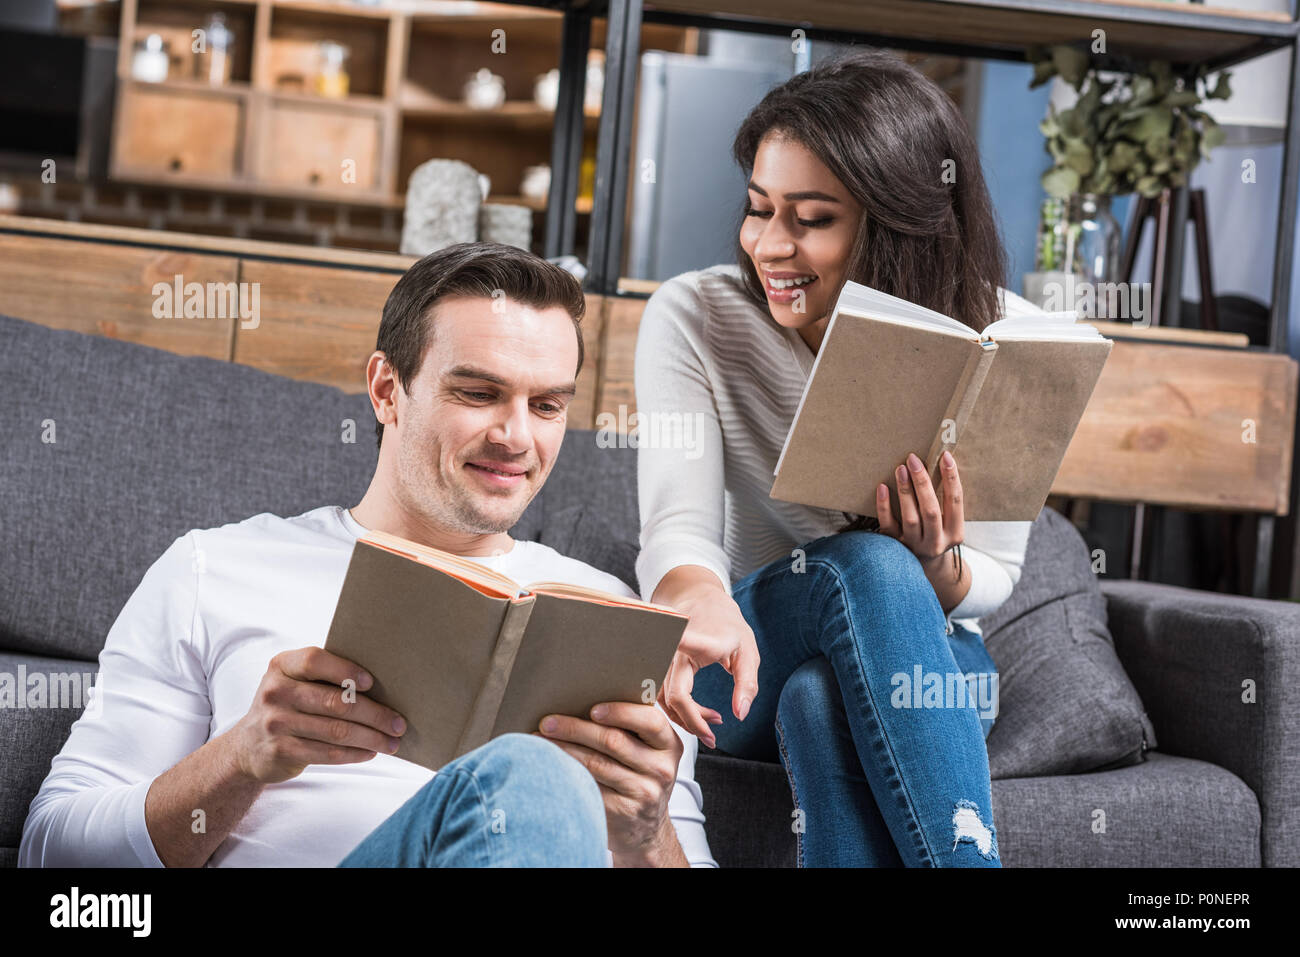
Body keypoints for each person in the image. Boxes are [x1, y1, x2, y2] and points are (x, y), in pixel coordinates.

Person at [20, 242, 715, 869]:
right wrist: (242, 757)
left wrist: (647, 838)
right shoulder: (216, 568)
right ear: (386, 389)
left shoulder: (614, 617)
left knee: (538, 784)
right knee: (530, 777)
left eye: (548, 405)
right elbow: (52, 854)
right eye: (479, 393)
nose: (515, 435)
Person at [636, 48, 1037, 867]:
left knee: (823, 699)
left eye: (811, 219)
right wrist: (694, 601)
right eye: (758, 209)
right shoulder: (695, 315)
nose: (769, 245)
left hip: (931, 651)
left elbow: (993, 572)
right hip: (747, 650)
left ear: (889, 224)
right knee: (865, 564)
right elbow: (678, 523)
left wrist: (942, 568)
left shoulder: (1000, 332)